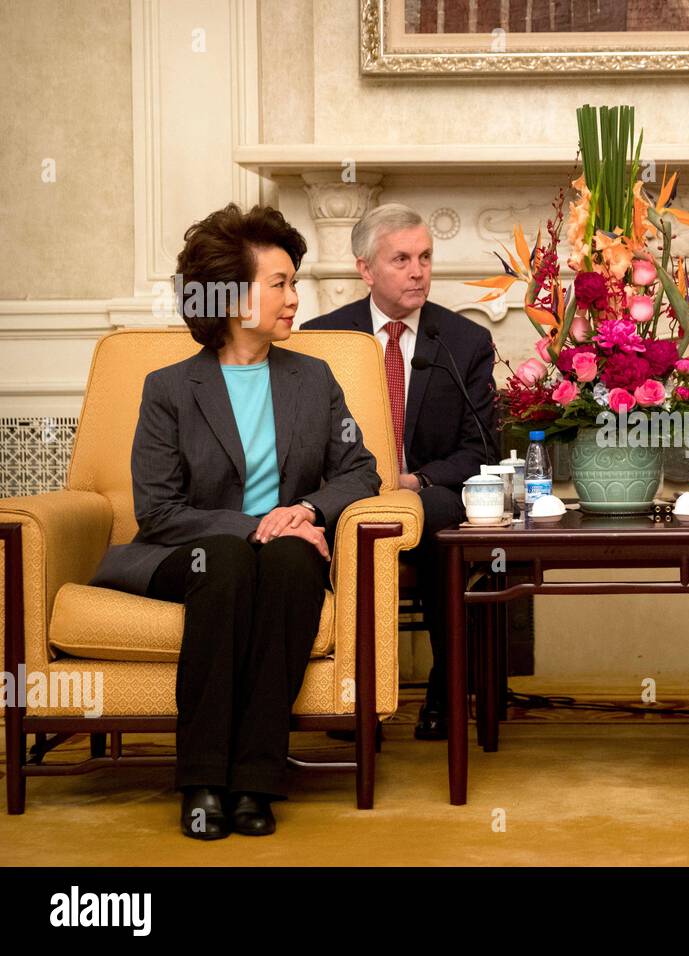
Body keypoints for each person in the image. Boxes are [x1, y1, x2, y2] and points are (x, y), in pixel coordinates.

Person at [90, 203, 381, 840]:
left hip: (290, 552)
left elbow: (361, 471)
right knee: (226, 558)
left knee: (286, 559)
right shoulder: (169, 389)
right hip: (192, 553)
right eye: (279, 283)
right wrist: (253, 525)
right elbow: (159, 512)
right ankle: (201, 781)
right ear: (228, 296)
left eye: (293, 282)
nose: (293, 297)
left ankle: (255, 781)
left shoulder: (314, 379)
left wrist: (304, 512)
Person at [304, 204, 497, 741]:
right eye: (402, 259)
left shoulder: (463, 342)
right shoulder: (322, 340)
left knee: (437, 520)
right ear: (365, 268)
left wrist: (413, 481)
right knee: (337, 521)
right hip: (349, 498)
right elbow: (300, 445)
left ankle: (445, 686)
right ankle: (351, 692)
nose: (418, 271)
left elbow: (482, 448)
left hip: (428, 499)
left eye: (425, 257)